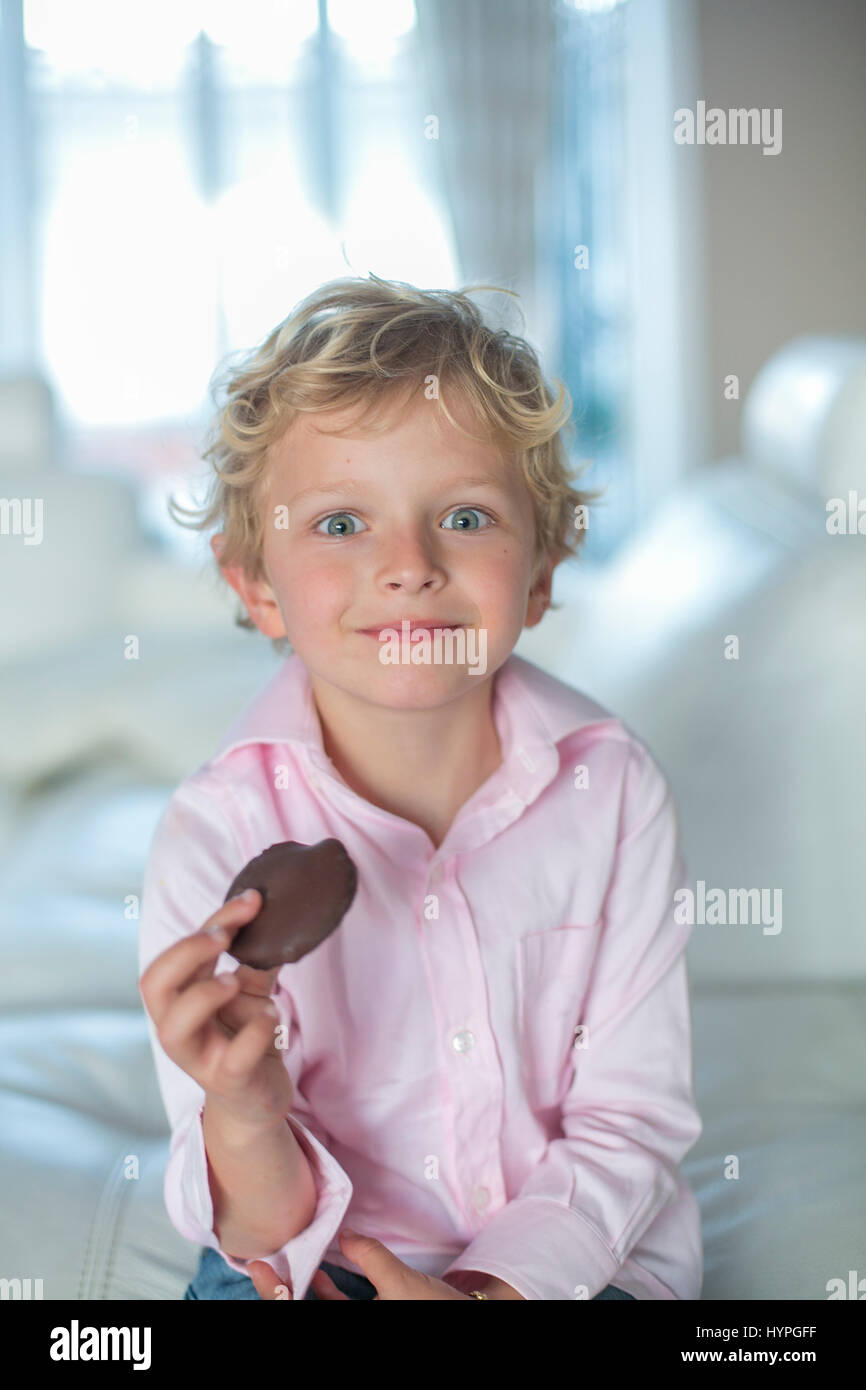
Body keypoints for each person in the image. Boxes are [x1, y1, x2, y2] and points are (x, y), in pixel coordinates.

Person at [138, 273, 702, 1301]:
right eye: (342, 524)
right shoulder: (214, 831)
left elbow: (630, 1120)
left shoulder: (612, 790)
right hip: (320, 1263)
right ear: (254, 582)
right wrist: (243, 1110)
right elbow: (259, 1226)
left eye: (466, 515)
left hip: (571, 1266)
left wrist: (492, 1291)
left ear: (539, 575)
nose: (408, 564)